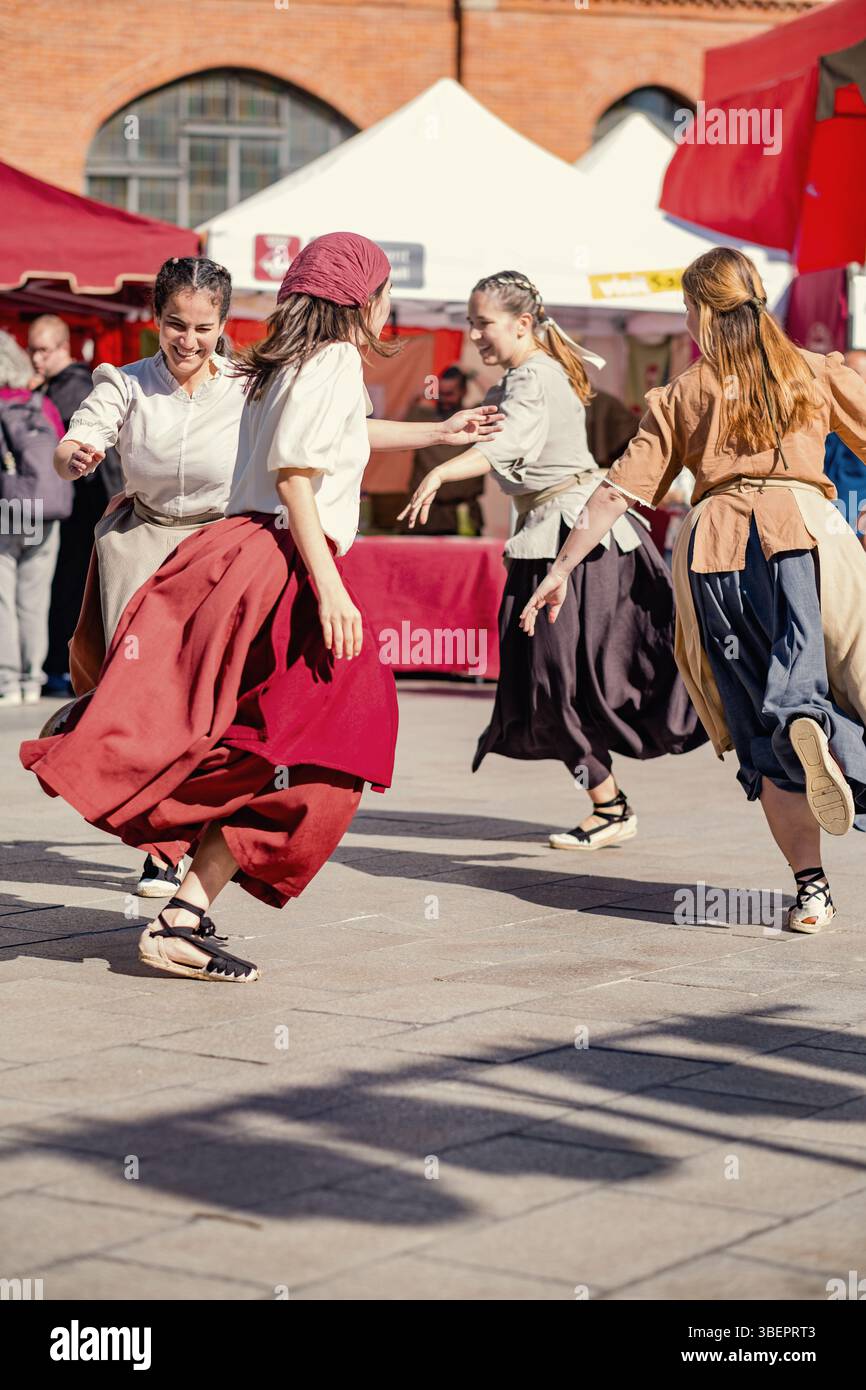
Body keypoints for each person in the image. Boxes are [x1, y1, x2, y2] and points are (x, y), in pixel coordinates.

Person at [20, 232, 503, 983]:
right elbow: (296, 478)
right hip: (281, 558)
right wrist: (333, 587)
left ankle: (177, 896)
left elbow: (333, 437)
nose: (388, 310)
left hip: (235, 554)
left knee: (271, 741)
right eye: (384, 296)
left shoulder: (277, 365)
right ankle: (124, 755)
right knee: (341, 739)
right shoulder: (332, 360)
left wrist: (438, 430)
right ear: (362, 299)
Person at [521, 246, 866, 934]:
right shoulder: (814, 372)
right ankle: (817, 726)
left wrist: (559, 570)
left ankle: (812, 890)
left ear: (701, 312)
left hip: (714, 555)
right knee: (846, 682)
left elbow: (616, 492)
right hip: (804, 538)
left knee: (759, 731)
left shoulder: (682, 394)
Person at [401, 270, 706, 849]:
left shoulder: (534, 377)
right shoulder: (523, 375)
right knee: (552, 681)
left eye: (482, 323)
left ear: (521, 323)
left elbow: (508, 444)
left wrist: (443, 469)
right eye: (470, 323)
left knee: (558, 680)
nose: (473, 336)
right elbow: (500, 437)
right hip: (565, 537)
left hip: (576, 543)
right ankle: (610, 800)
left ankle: (628, 792)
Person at [51, 257, 247, 900]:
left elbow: (331, 435)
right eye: (174, 325)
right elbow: (76, 440)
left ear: (224, 324)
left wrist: (437, 432)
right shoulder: (125, 383)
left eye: (203, 328)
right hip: (141, 542)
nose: (188, 341)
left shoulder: (250, 384)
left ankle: (187, 831)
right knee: (144, 698)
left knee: (207, 699)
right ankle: (161, 845)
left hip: (219, 547)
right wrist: (74, 454)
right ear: (155, 321)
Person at [27, 316, 111, 696]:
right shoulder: (48, 389)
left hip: (80, 512)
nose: (36, 358)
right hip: (60, 510)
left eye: (43, 350)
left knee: (66, 590)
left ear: (64, 347)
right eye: (32, 350)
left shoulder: (75, 389)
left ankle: (63, 669)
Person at [0, 331, 69, 706]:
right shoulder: (41, 405)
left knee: (4, 597)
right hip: (47, 508)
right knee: (34, 598)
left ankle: (7, 680)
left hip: (10, 509)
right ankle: (31, 678)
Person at [401, 367, 485, 535]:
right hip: (424, 514)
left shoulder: (473, 419)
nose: (444, 399)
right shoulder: (423, 416)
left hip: (462, 514)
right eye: (441, 393)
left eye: (450, 393)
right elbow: (398, 435)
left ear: (464, 391)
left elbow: (500, 402)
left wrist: (475, 375)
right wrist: (417, 396)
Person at [823, 349, 866, 551]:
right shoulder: (825, 421)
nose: (845, 378)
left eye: (854, 373)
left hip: (858, 532)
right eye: (844, 371)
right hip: (828, 529)